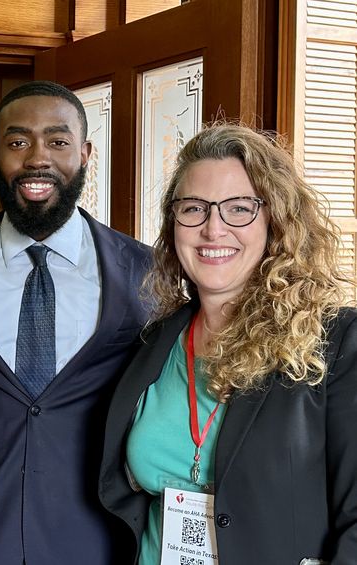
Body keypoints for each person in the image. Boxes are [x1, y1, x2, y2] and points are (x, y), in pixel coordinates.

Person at [99, 123, 357, 564]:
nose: (213, 229)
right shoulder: (156, 342)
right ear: (173, 222)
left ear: (275, 221)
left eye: (239, 209)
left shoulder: (336, 341)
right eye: (194, 208)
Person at [0, 80, 151, 564]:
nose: (36, 159)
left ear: (86, 153)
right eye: (18, 141)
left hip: (98, 535)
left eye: (58, 141)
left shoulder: (147, 273)